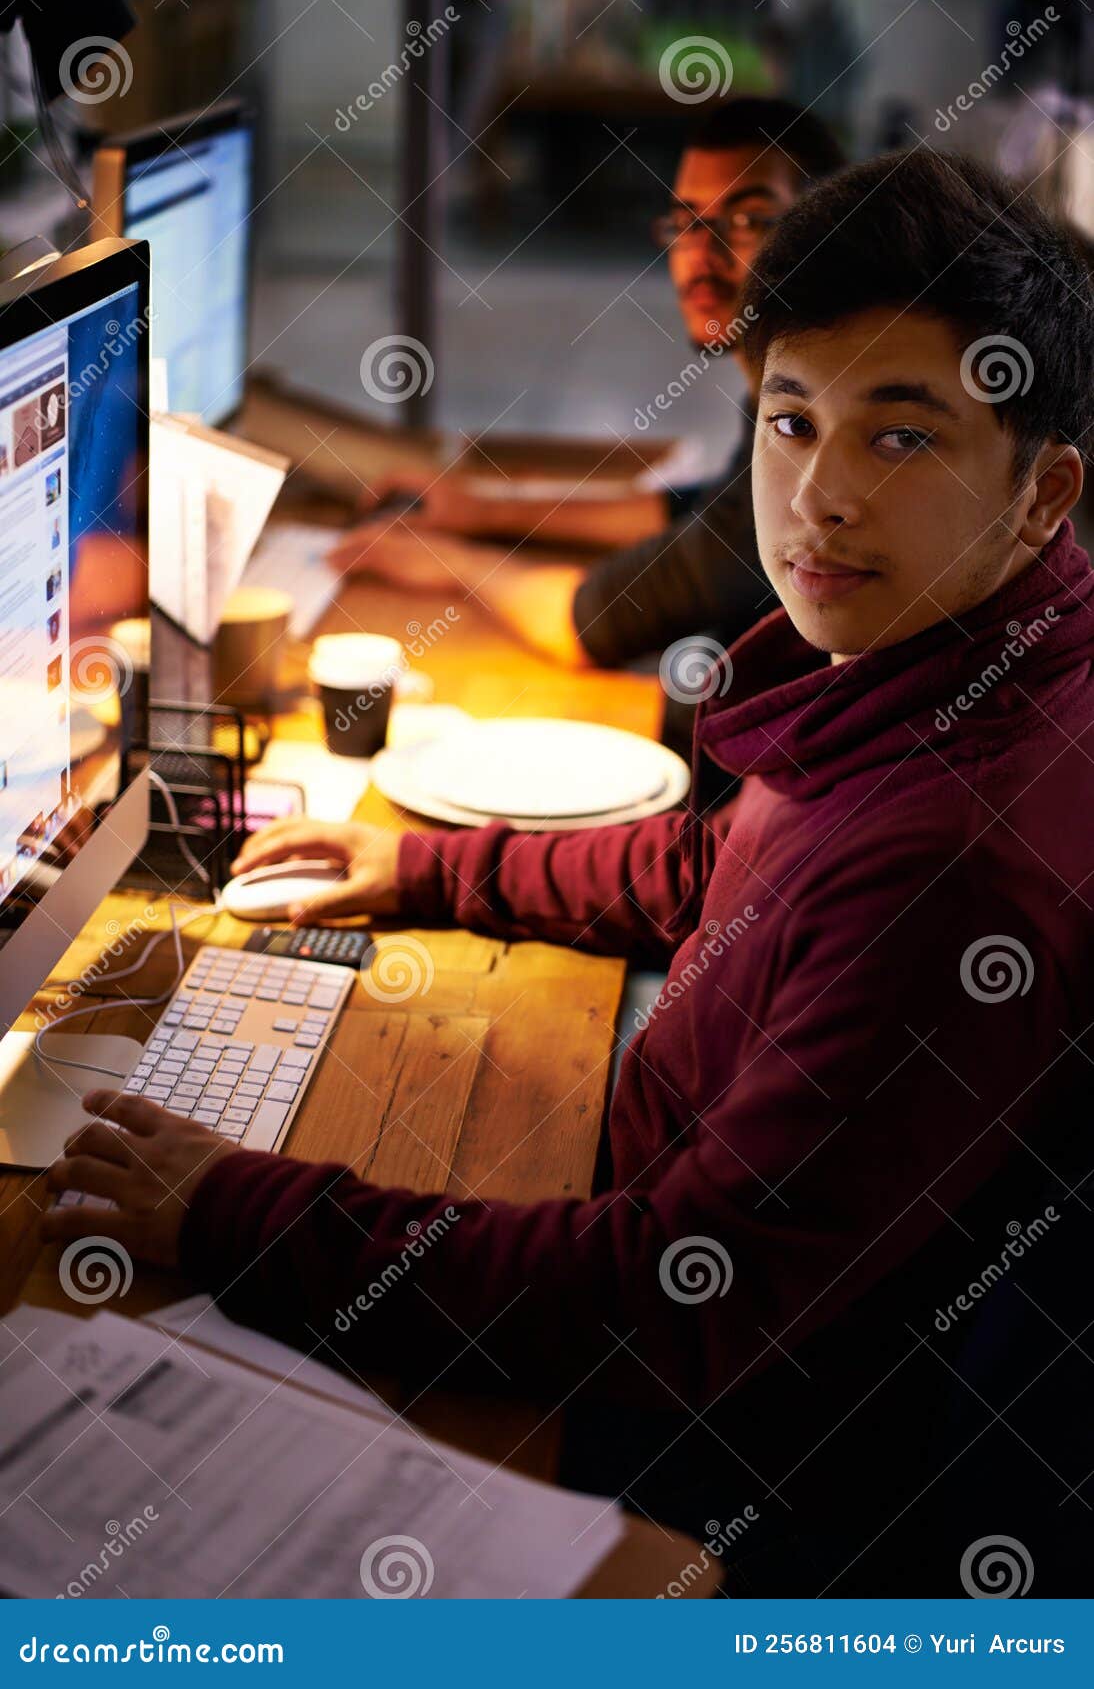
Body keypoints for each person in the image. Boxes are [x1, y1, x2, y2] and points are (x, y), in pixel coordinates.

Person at [45, 150, 1094, 1593]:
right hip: (657, 1236)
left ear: (1041, 493)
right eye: (790, 421)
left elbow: (670, 1296)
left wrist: (232, 1208)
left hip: (710, 1447)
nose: (819, 497)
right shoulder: (944, 663)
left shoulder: (951, 860)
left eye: (900, 438)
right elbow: (720, 864)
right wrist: (420, 866)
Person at [330, 98, 845, 756]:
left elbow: (588, 620)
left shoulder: (809, 435)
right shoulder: (780, 392)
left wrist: (448, 561)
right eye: (686, 223)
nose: (702, 253)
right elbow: (694, 515)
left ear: (826, 231)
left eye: (746, 220)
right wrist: (483, 509)